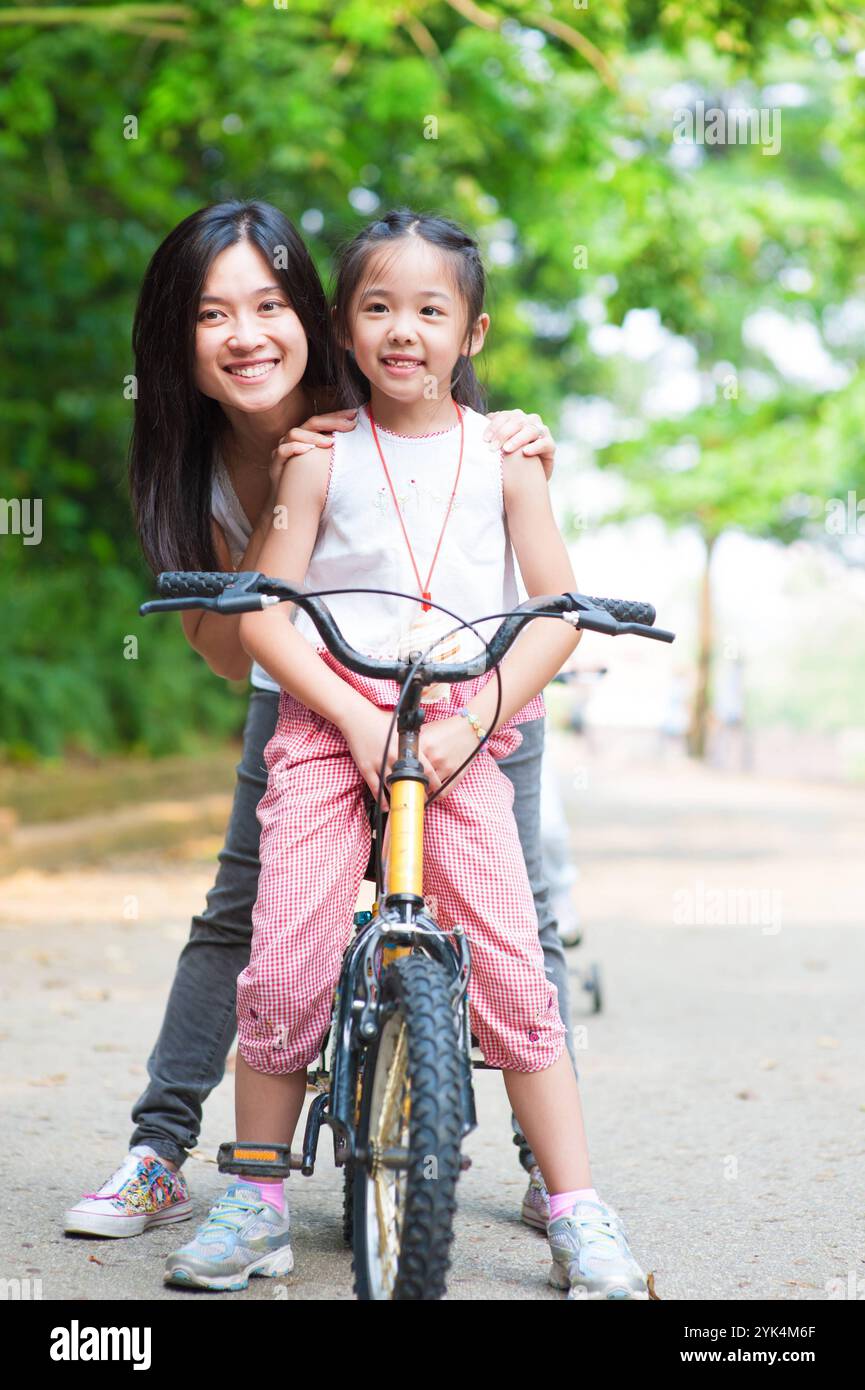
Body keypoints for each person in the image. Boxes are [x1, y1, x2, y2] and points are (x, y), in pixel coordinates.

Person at [63, 201, 573, 1241]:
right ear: (178, 337)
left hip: (463, 690)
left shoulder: (385, 380)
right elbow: (228, 644)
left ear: (313, 316)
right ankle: (162, 1153)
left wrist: (520, 434)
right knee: (245, 912)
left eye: (267, 305)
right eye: (213, 315)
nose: (245, 334)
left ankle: (548, 1170)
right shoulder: (196, 462)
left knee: (517, 913)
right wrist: (290, 510)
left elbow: (473, 475)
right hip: (303, 692)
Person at [163, 208, 648, 1300]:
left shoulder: (506, 457)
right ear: (344, 326)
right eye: (377, 307)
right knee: (282, 952)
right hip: (332, 721)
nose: (403, 330)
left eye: (431, 310)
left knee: (516, 971)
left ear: (470, 336)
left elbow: (556, 610)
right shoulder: (321, 455)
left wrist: (477, 720)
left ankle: (575, 1208)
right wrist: (350, 716)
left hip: (467, 727)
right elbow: (269, 616)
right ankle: (252, 1200)